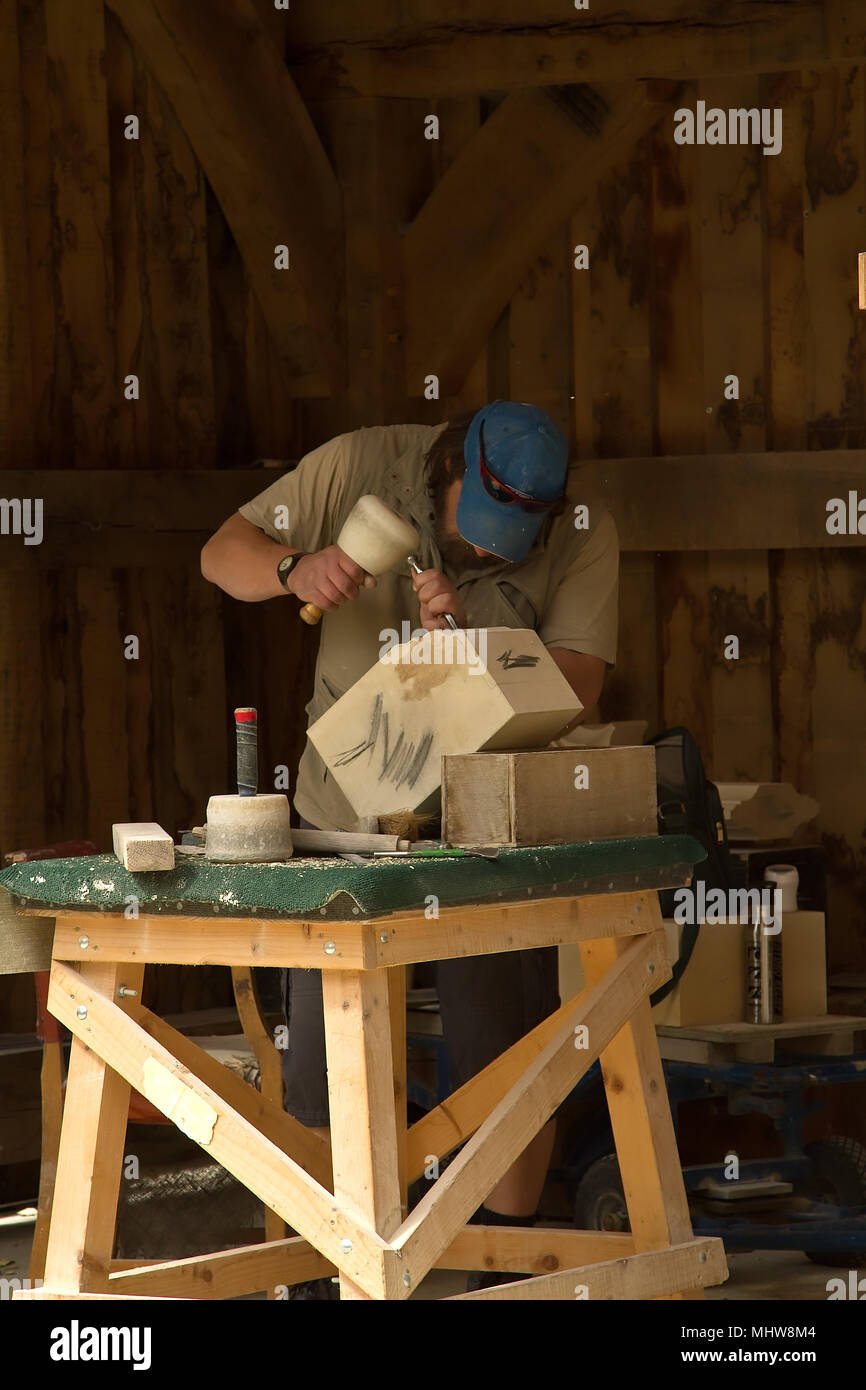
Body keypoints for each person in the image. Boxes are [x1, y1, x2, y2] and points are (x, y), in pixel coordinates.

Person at [201, 400, 619, 1293]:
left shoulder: (582, 532)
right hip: (345, 817)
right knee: (328, 1057)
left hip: (485, 826)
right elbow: (219, 556)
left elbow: (576, 686)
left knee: (506, 1048)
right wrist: (295, 568)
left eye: (514, 539)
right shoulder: (357, 465)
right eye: (479, 527)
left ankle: (501, 1271)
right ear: (446, 468)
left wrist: (475, 651)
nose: (491, 548)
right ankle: (329, 1268)